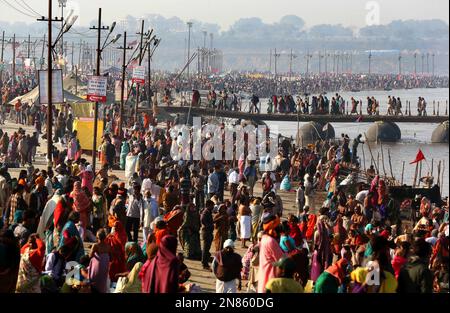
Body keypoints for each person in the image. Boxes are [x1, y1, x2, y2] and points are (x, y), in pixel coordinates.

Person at [257, 215, 285, 293]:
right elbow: (282, 260)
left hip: (265, 278)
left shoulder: (264, 238)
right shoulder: (270, 241)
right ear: (272, 228)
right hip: (270, 280)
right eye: (277, 226)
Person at [89, 228, 111, 293]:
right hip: (104, 266)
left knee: (94, 281)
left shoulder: (96, 245)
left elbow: (90, 255)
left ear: (97, 236)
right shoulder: (108, 246)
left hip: (97, 266)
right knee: (102, 281)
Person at [200, 200, 214, 270]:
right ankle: (204, 263)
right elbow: (202, 220)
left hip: (208, 232)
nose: (213, 207)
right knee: (205, 249)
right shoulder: (205, 212)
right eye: (212, 205)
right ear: (208, 205)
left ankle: (205, 261)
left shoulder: (208, 212)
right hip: (206, 232)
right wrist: (209, 225)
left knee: (207, 248)